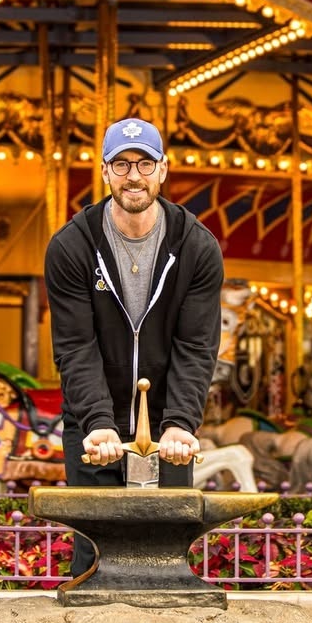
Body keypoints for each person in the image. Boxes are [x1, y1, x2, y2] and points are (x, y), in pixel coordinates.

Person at [43, 116, 224, 577]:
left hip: (168, 433)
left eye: (144, 163)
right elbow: (75, 346)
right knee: (93, 559)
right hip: (93, 425)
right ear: (104, 172)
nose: (133, 176)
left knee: (166, 558)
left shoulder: (197, 247)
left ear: (163, 169)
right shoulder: (72, 247)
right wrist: (99, 423)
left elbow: (197, 345)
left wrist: (181, 422)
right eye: (121, 165)